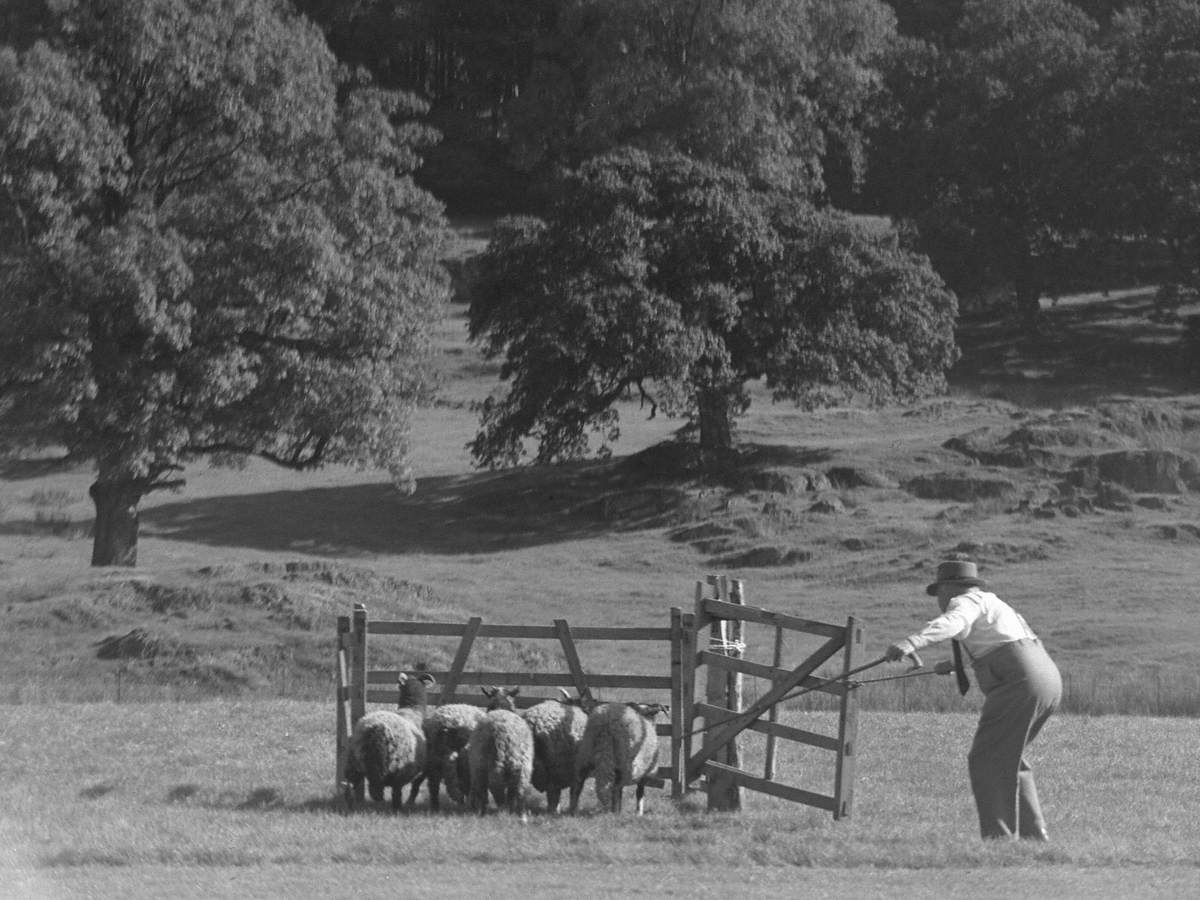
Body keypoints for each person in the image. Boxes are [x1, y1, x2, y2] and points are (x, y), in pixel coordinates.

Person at [885, 559, 1062, 841]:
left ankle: (999, 840)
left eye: (938, 592)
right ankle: (1034, 837)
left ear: (950, 588)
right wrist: (958, 664)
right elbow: (1003, 644)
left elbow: (953, 623)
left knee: (987, 758)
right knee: (1008, 756)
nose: (939, 600)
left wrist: (912, 642)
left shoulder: (964, 602)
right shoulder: (993, 603)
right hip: (1047, 677)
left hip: (1020, 681)